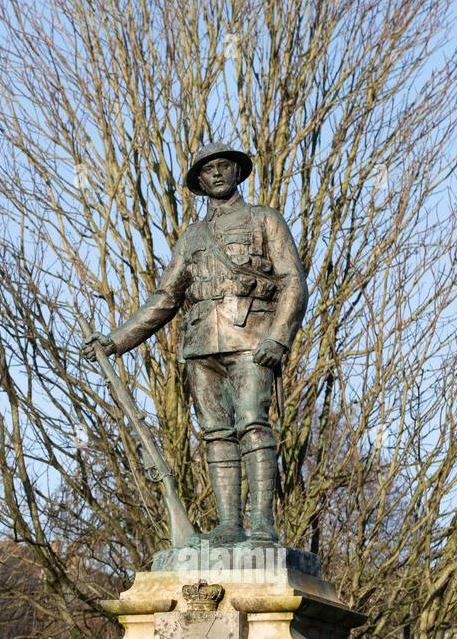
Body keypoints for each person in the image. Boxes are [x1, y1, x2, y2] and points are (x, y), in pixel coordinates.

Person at [85, 142, 308, 547]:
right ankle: (228, 525)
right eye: (209, 170)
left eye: (225, 166)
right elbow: (166, 298)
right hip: (201, 346)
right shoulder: (192, 238)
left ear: (238, 172)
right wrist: (117, 340)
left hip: (252, 340)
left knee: (253, 424)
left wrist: (279, 337)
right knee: (216, 433)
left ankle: (261, 525)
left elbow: (293, 282)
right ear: (200, 182)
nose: (218, 174)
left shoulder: (264, 220)